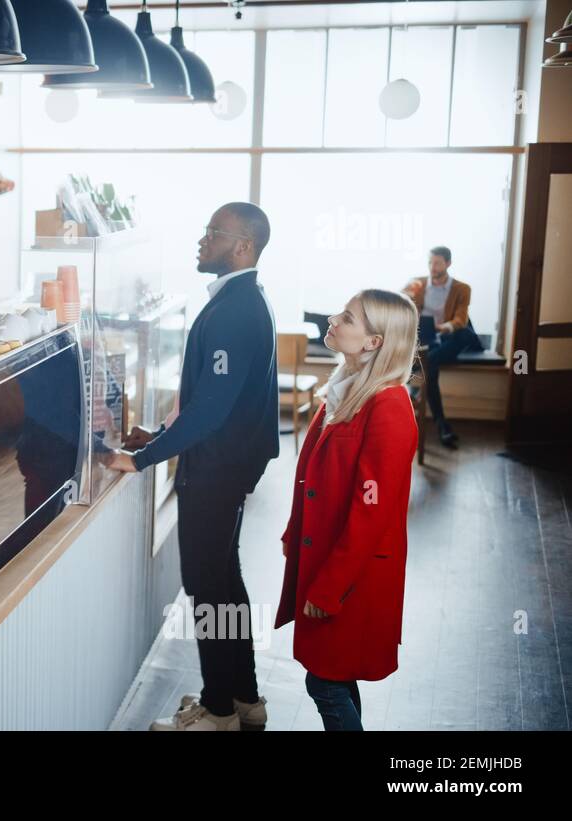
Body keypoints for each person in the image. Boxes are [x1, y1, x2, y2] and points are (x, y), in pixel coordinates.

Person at [105, 202, 279, 731]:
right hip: (229, 464)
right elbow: (209, 398)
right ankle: (243, 698)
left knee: (206, 586)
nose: (202, 241)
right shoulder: (244, 300)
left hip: (218, 469)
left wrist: (141, 458)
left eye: (214, 233)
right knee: (225, 581)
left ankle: (218, 710)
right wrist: (160, 436)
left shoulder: (234, 310)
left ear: (242, 246)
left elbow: (211, 408)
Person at [275, 289, 419, 731]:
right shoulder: (349, 388)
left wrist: (330, 586)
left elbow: (370, 510)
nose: (334, 320)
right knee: (335, 674)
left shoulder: (389, 406)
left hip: (354, 575)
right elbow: (313, 478)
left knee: (325, 682)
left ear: (374, 342)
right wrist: (293, 534)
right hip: (328, 559)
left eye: (348, 318)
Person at [402, 246, 482, 447]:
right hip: (429, 341)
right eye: (430, 262)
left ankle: (416, 381)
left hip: (450, 338)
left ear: (448, 264)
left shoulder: (462, 289)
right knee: (432, 366)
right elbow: (398, 302)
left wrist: (443, 328)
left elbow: (460, 319)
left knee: (464, 334)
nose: (432, 267)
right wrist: (409, 303)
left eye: (437, 263)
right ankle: (443, 427)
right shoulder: (418, 283)